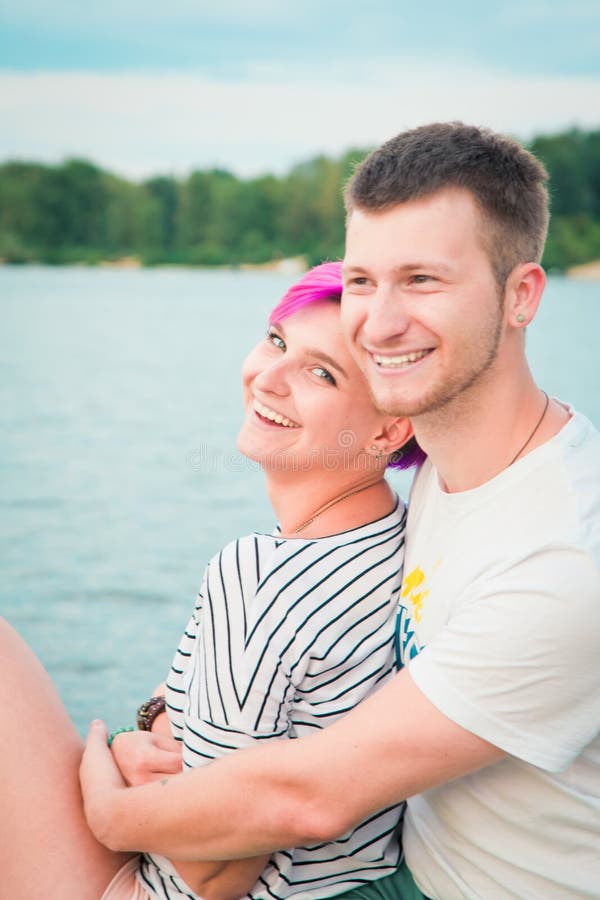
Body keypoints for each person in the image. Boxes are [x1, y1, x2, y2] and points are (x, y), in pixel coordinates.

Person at [81, 123, 600, 900]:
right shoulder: (432, 473)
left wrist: (112, 807)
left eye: (423, 280)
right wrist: (160, 722)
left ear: (521, 294)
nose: (379, 322)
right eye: (363, 280)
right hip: (382, 863)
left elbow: (308, 797)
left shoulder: (564, 555)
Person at [0, 262, 421, 900]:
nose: (267, 377)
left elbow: (216, 873)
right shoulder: (402, 538)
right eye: (277, 341)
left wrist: (103, 767)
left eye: (320, 372)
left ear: (390, 430)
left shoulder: (258, 577)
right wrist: (159, 719)